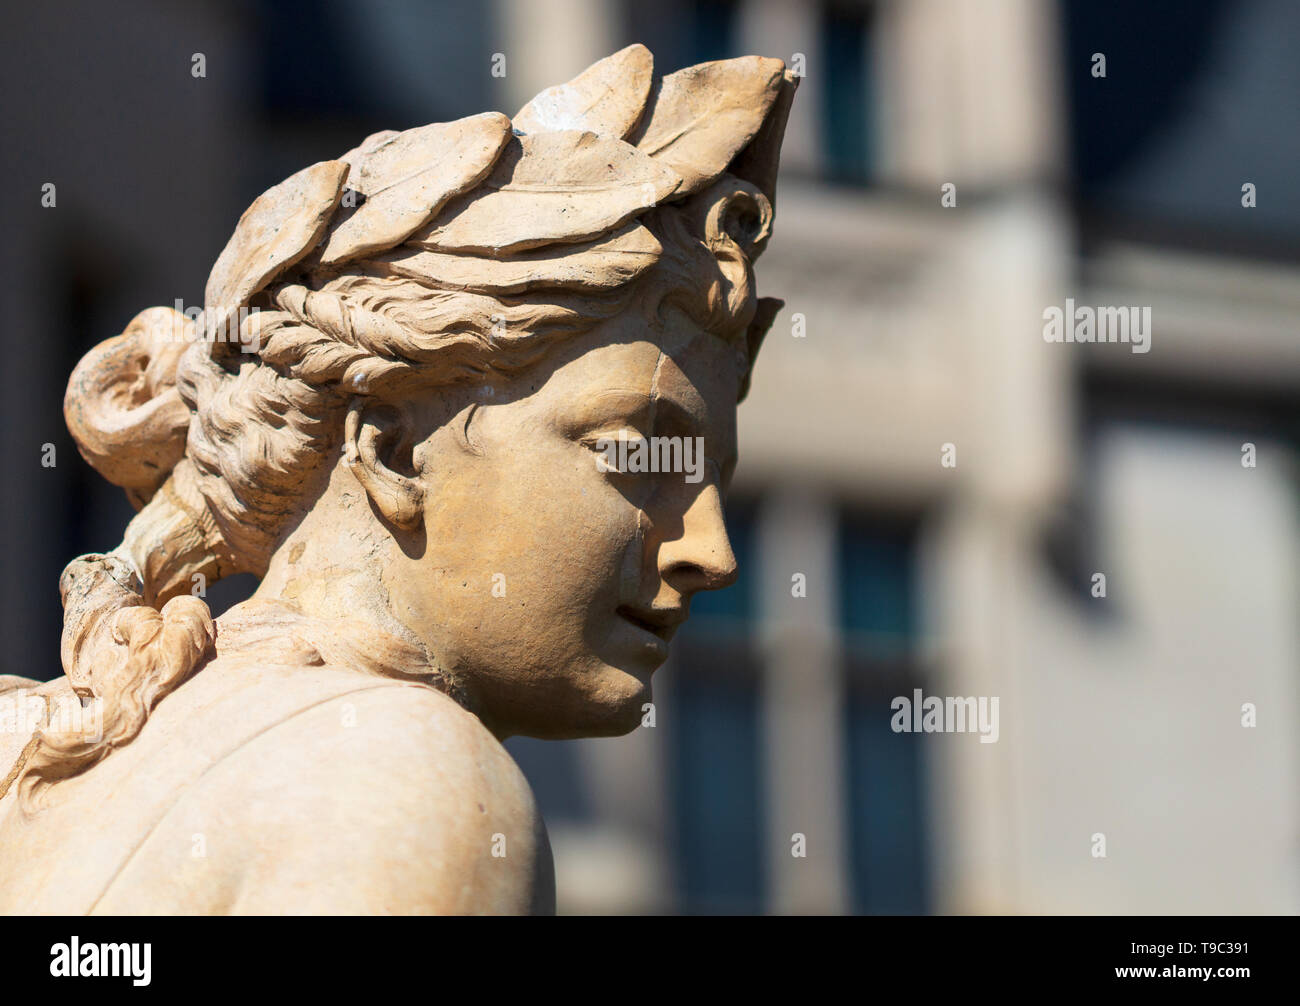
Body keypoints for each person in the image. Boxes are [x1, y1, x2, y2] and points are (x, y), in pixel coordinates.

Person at [0, 45, 796, 914]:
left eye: (709, 479)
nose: (712, 555)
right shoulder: (409, 776)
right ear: (390, 450)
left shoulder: (57, 758)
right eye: (637, 455)